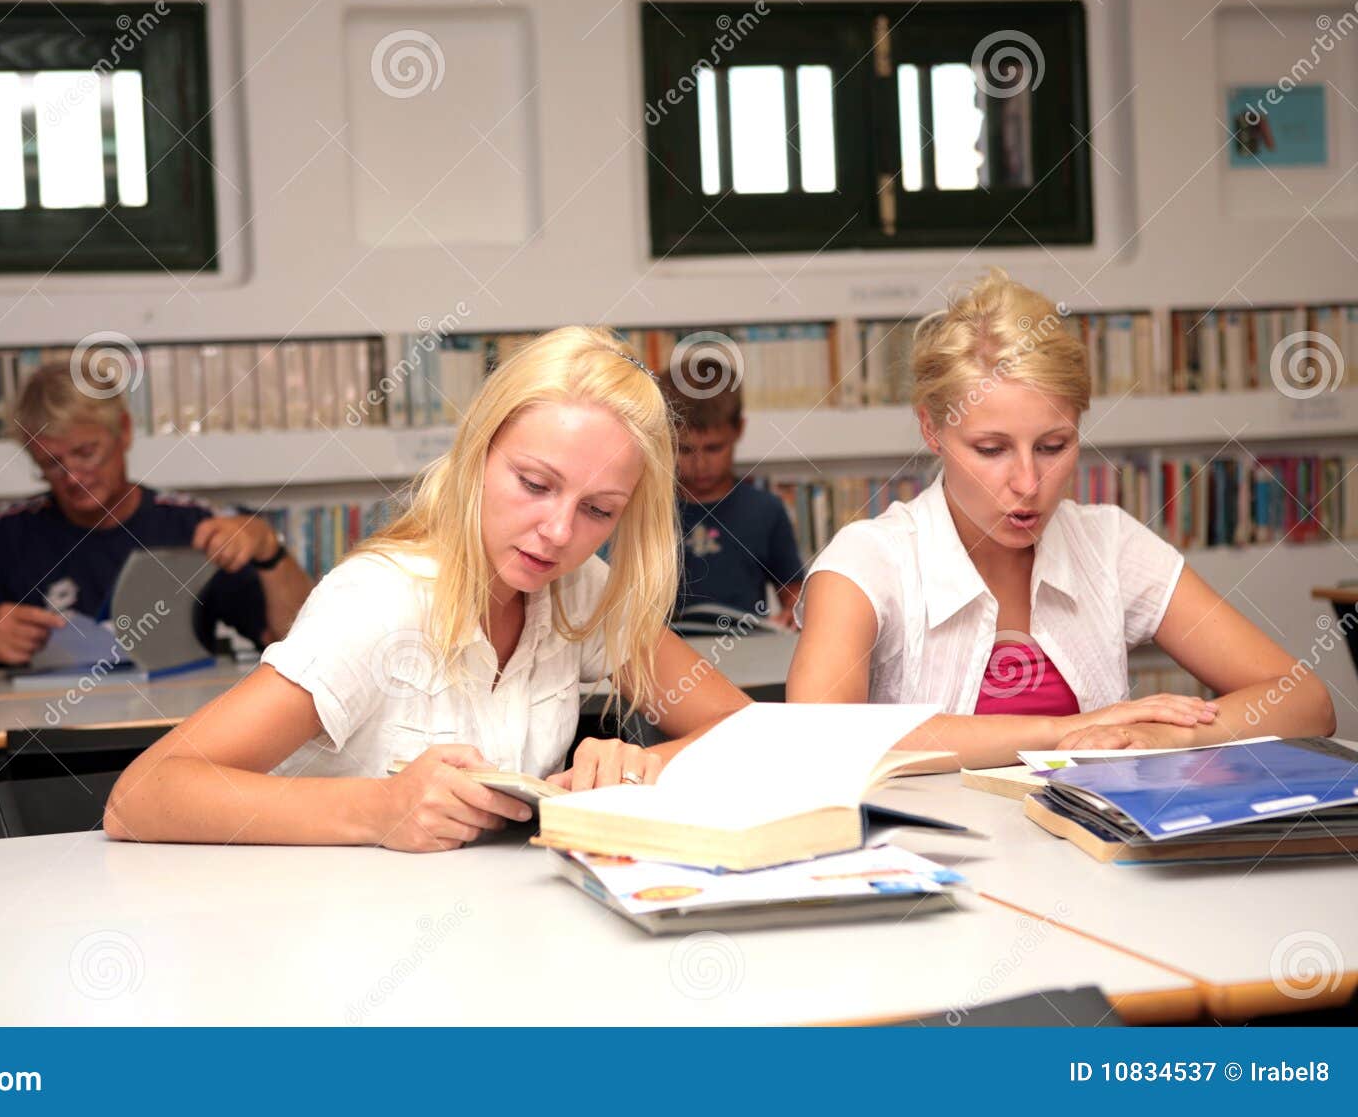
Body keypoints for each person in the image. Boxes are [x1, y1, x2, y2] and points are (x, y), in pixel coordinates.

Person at [104, 326, 752, 850]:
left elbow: (741, 729)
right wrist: (380, 809)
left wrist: (642, 768)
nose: (558, 532)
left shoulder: (579, 586)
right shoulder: (377, 602)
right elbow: (140, 797)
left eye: (598, 510)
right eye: (534, 483)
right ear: (477, 452)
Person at [787, 270, 1335, 768]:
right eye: (991, 449)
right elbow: (818, 741)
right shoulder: (868, 560)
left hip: (1098, 864)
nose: (1028, 483)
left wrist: (1168, 736)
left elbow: (1306, 701)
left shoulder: (1109, 543)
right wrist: (1064, 731)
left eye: (1053, 446)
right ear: (932, 429)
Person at [0, 359, 312, 675]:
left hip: (170, 740)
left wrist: (268, 552)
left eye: (85, 453)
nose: (72, 478)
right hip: (47, 750)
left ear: (125, 432)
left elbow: (300, 645)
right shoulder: (7, 536)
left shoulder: (192, 526)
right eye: (50, 464)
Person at [657, 348, 805, 627]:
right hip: (662, 657)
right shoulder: (647, 509)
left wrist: (794, 614)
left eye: (714, 448)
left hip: (746, 655)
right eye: (686, 450)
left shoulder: (765, 510)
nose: (700, 465)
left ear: (739, 429)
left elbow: (792, 593)